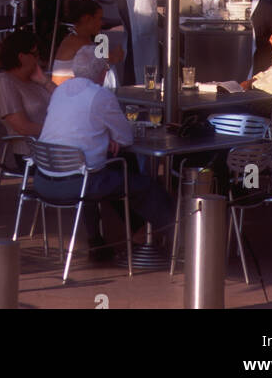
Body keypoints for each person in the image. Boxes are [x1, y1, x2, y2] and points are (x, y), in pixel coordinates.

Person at [36, 47, 173, 256]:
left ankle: (99, 240)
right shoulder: (100, 95)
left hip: (43, 180)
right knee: (147, 186)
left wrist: (104, 137)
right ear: (102, 72)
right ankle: (179, 242)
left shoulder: (60, 90)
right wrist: (110, 137)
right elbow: (126, 138)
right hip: (78, 185)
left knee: (102, 170)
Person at [0, 30, 53, 166]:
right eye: (35, 54)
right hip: (32, 154)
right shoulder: (5, 82)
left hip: (58, 146)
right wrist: (60, 129)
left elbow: (67, 103)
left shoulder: (35, 80)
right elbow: (23, 128)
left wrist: (46, 82)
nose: (39, 58)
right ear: (21, 57)